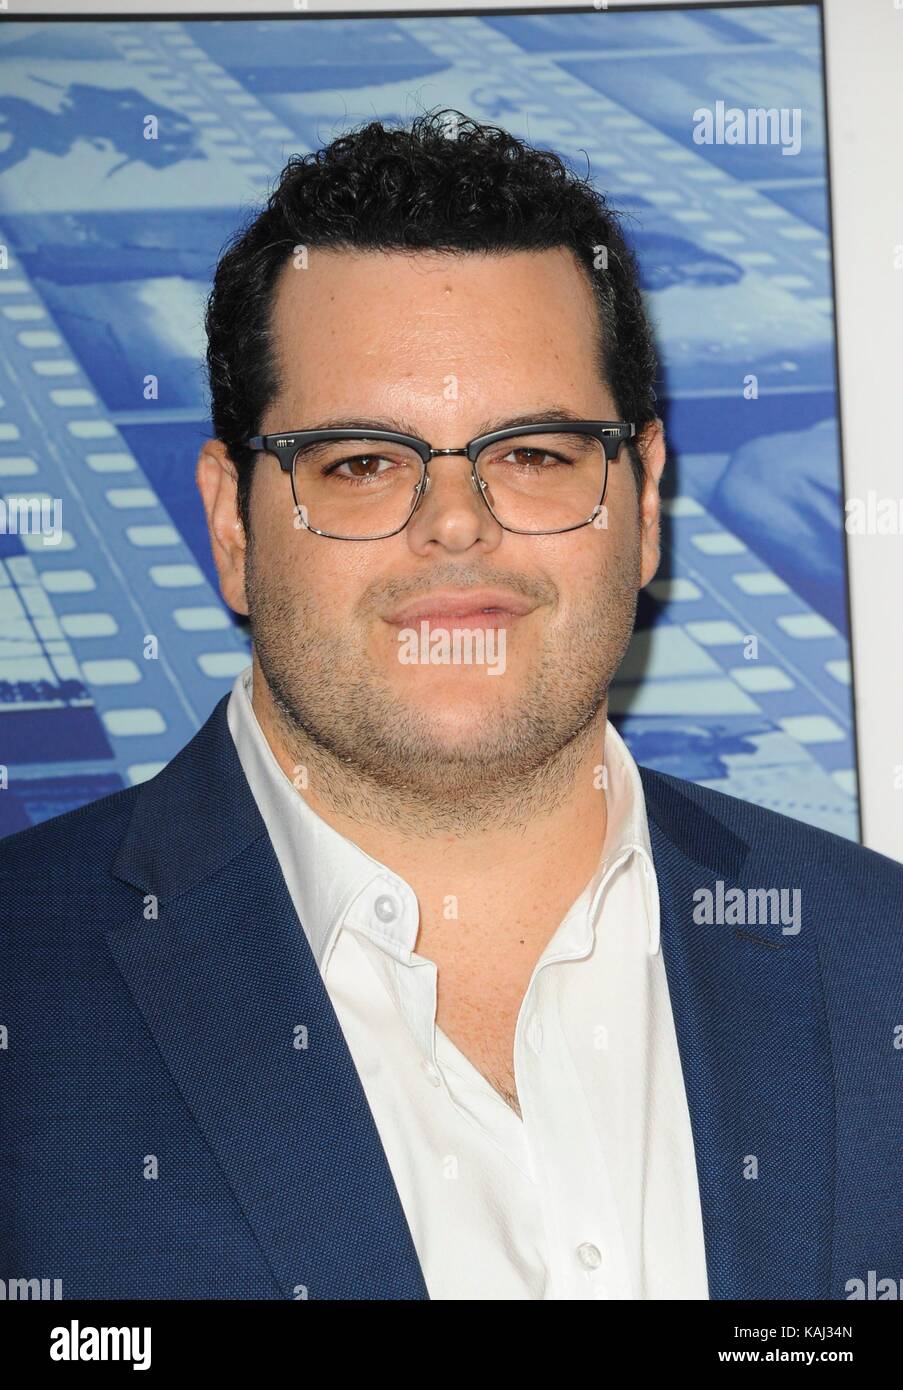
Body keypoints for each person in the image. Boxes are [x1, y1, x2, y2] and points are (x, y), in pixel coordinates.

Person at [2, 110, 900, 1302]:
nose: (456, 522)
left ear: (642, 496)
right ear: (231, 525)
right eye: (362, 460)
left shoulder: (877, 957)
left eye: (533, 452)